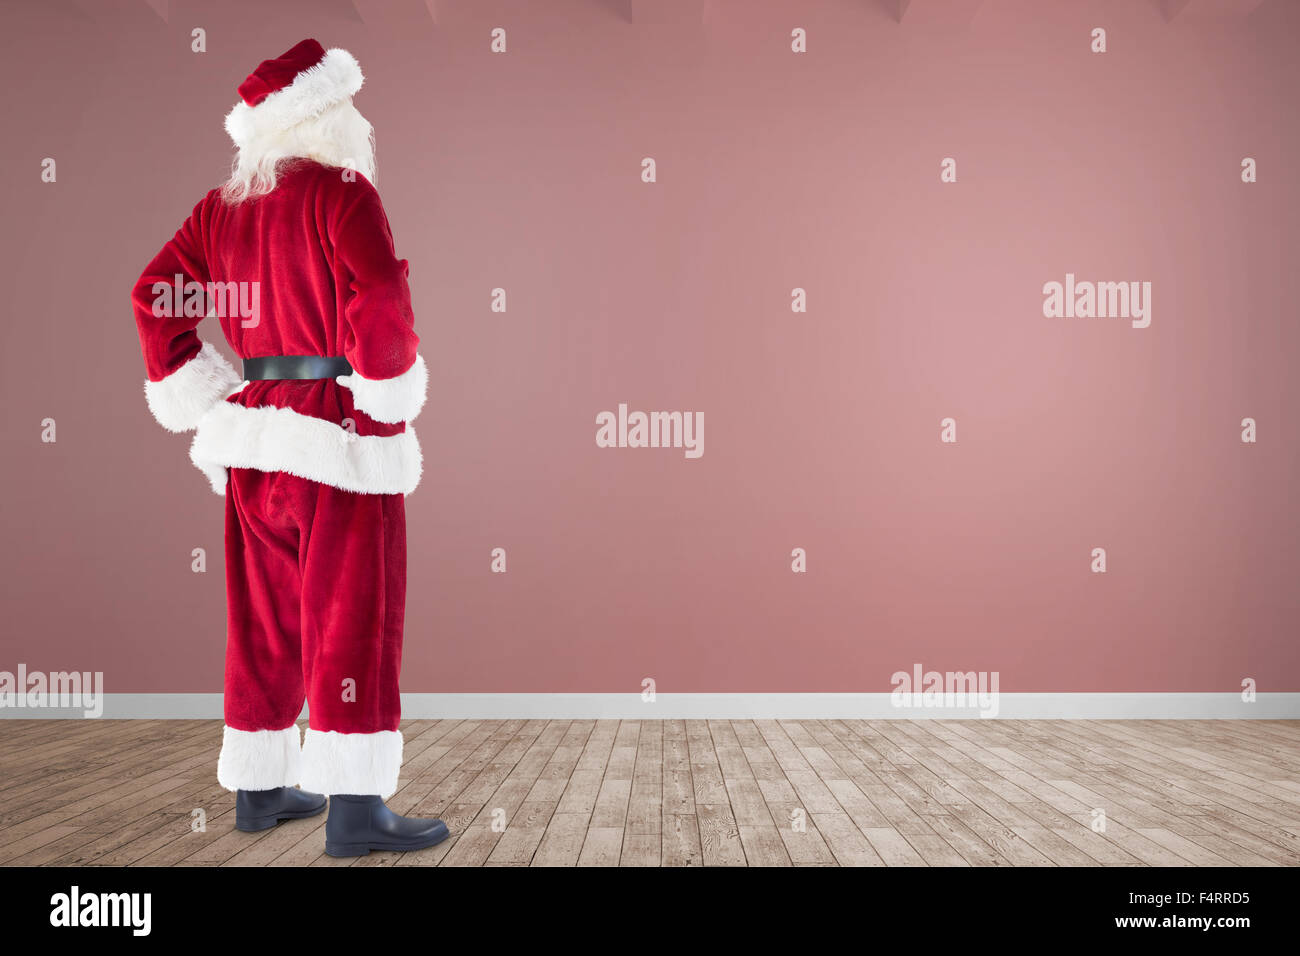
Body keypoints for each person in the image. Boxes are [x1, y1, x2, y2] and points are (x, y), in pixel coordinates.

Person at [130, 39, 447, 857]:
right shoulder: (343, 191)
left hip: (254, 432)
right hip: (335, 433)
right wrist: (380, 410)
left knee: (262, 616)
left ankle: (261, 789)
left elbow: (151, 294)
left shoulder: (222, 206)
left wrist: (202, 388)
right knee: (353, 619)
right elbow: (378, 299)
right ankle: (355, 810)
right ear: (326, 114)